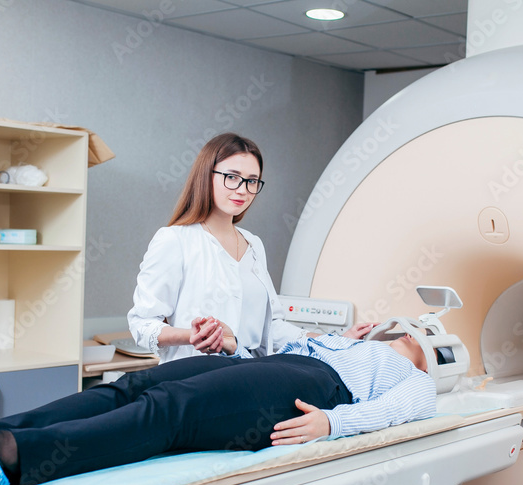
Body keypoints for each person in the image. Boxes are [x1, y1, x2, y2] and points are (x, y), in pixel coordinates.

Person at [0, 331, 438, 485]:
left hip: (307, 389)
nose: (410, 333)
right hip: (272, 364)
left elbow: (405, 410)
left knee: (169, 412)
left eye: (418, 338)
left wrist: (332, 423)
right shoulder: (354, 341)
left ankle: (13, 460)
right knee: (129, 386)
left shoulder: (415, 377)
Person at [128, 133, 371, 363]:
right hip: (193, 379)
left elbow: (272, 327)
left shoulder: (253, 244)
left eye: (252, 181)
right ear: (206, 175)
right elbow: (142, 324)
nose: (243, 189)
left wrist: (335, 342)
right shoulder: (175, 240)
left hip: (249, 376)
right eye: (232, 177)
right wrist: (192, 336)